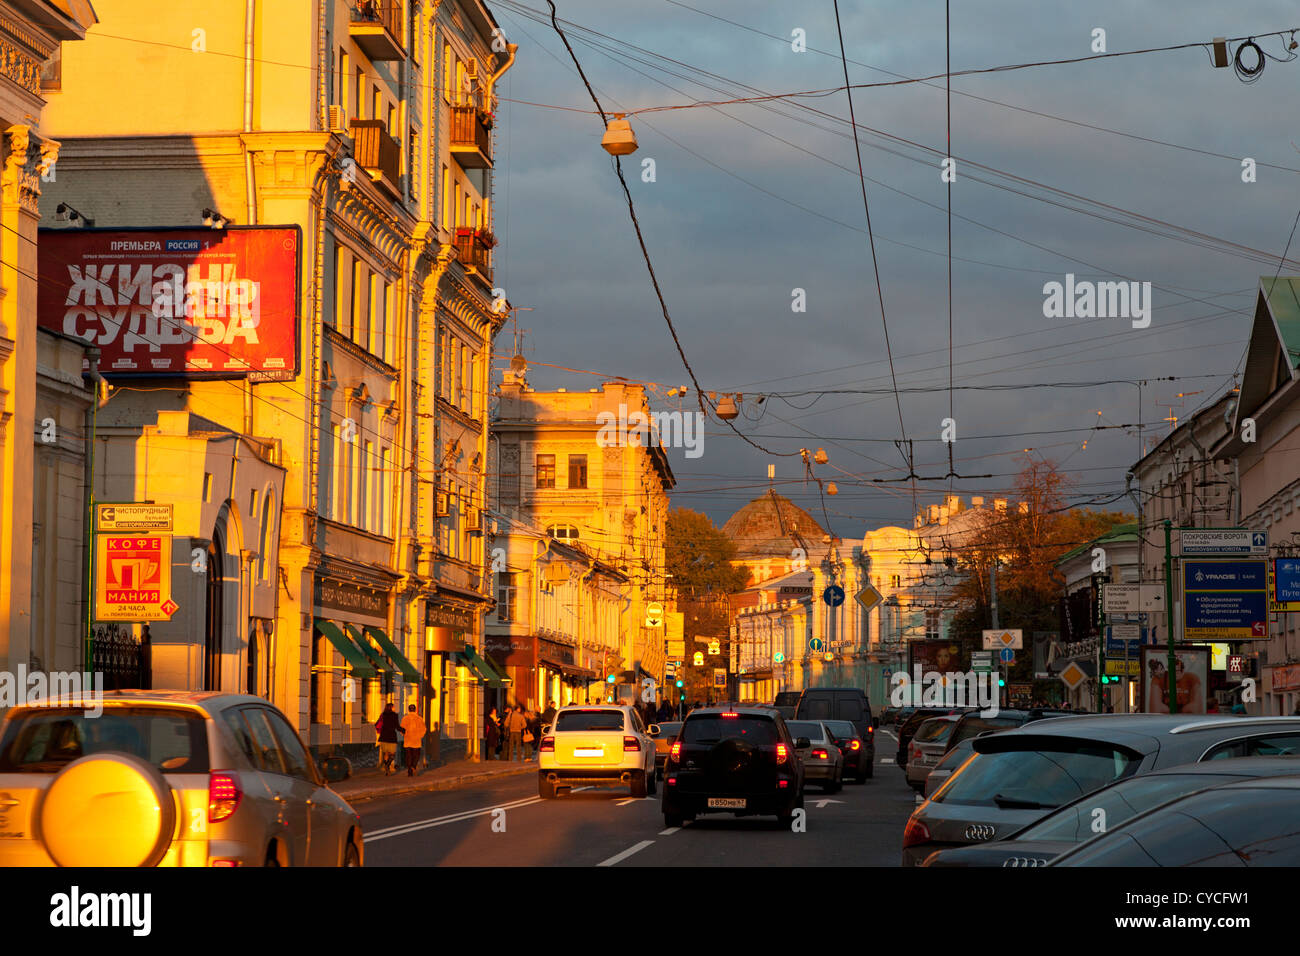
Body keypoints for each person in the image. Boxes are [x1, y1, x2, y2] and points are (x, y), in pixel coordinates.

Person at [400, 704, 428, 777]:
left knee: (408, 756)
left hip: (408, 740)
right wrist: (420, 736)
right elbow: (424, 729)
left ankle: (409, 769)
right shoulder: (419, 718)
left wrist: (404, 735)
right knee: (416, 755)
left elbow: (402, 729)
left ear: (409, 710)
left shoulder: (405, 718)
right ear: (415, 710)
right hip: (416, 740)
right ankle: (413, 767)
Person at [375, 702, 402, 776]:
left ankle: (386, 767)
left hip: (383, 737)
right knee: (392, 754)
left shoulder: (383, 715)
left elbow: (376, 724)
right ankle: (387, 766)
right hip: (391, 737)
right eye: (393, 707)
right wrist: (404, 730)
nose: (394, 708)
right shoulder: (394, 715)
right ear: (391, 707)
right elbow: (397, 726)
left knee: (386, 754)